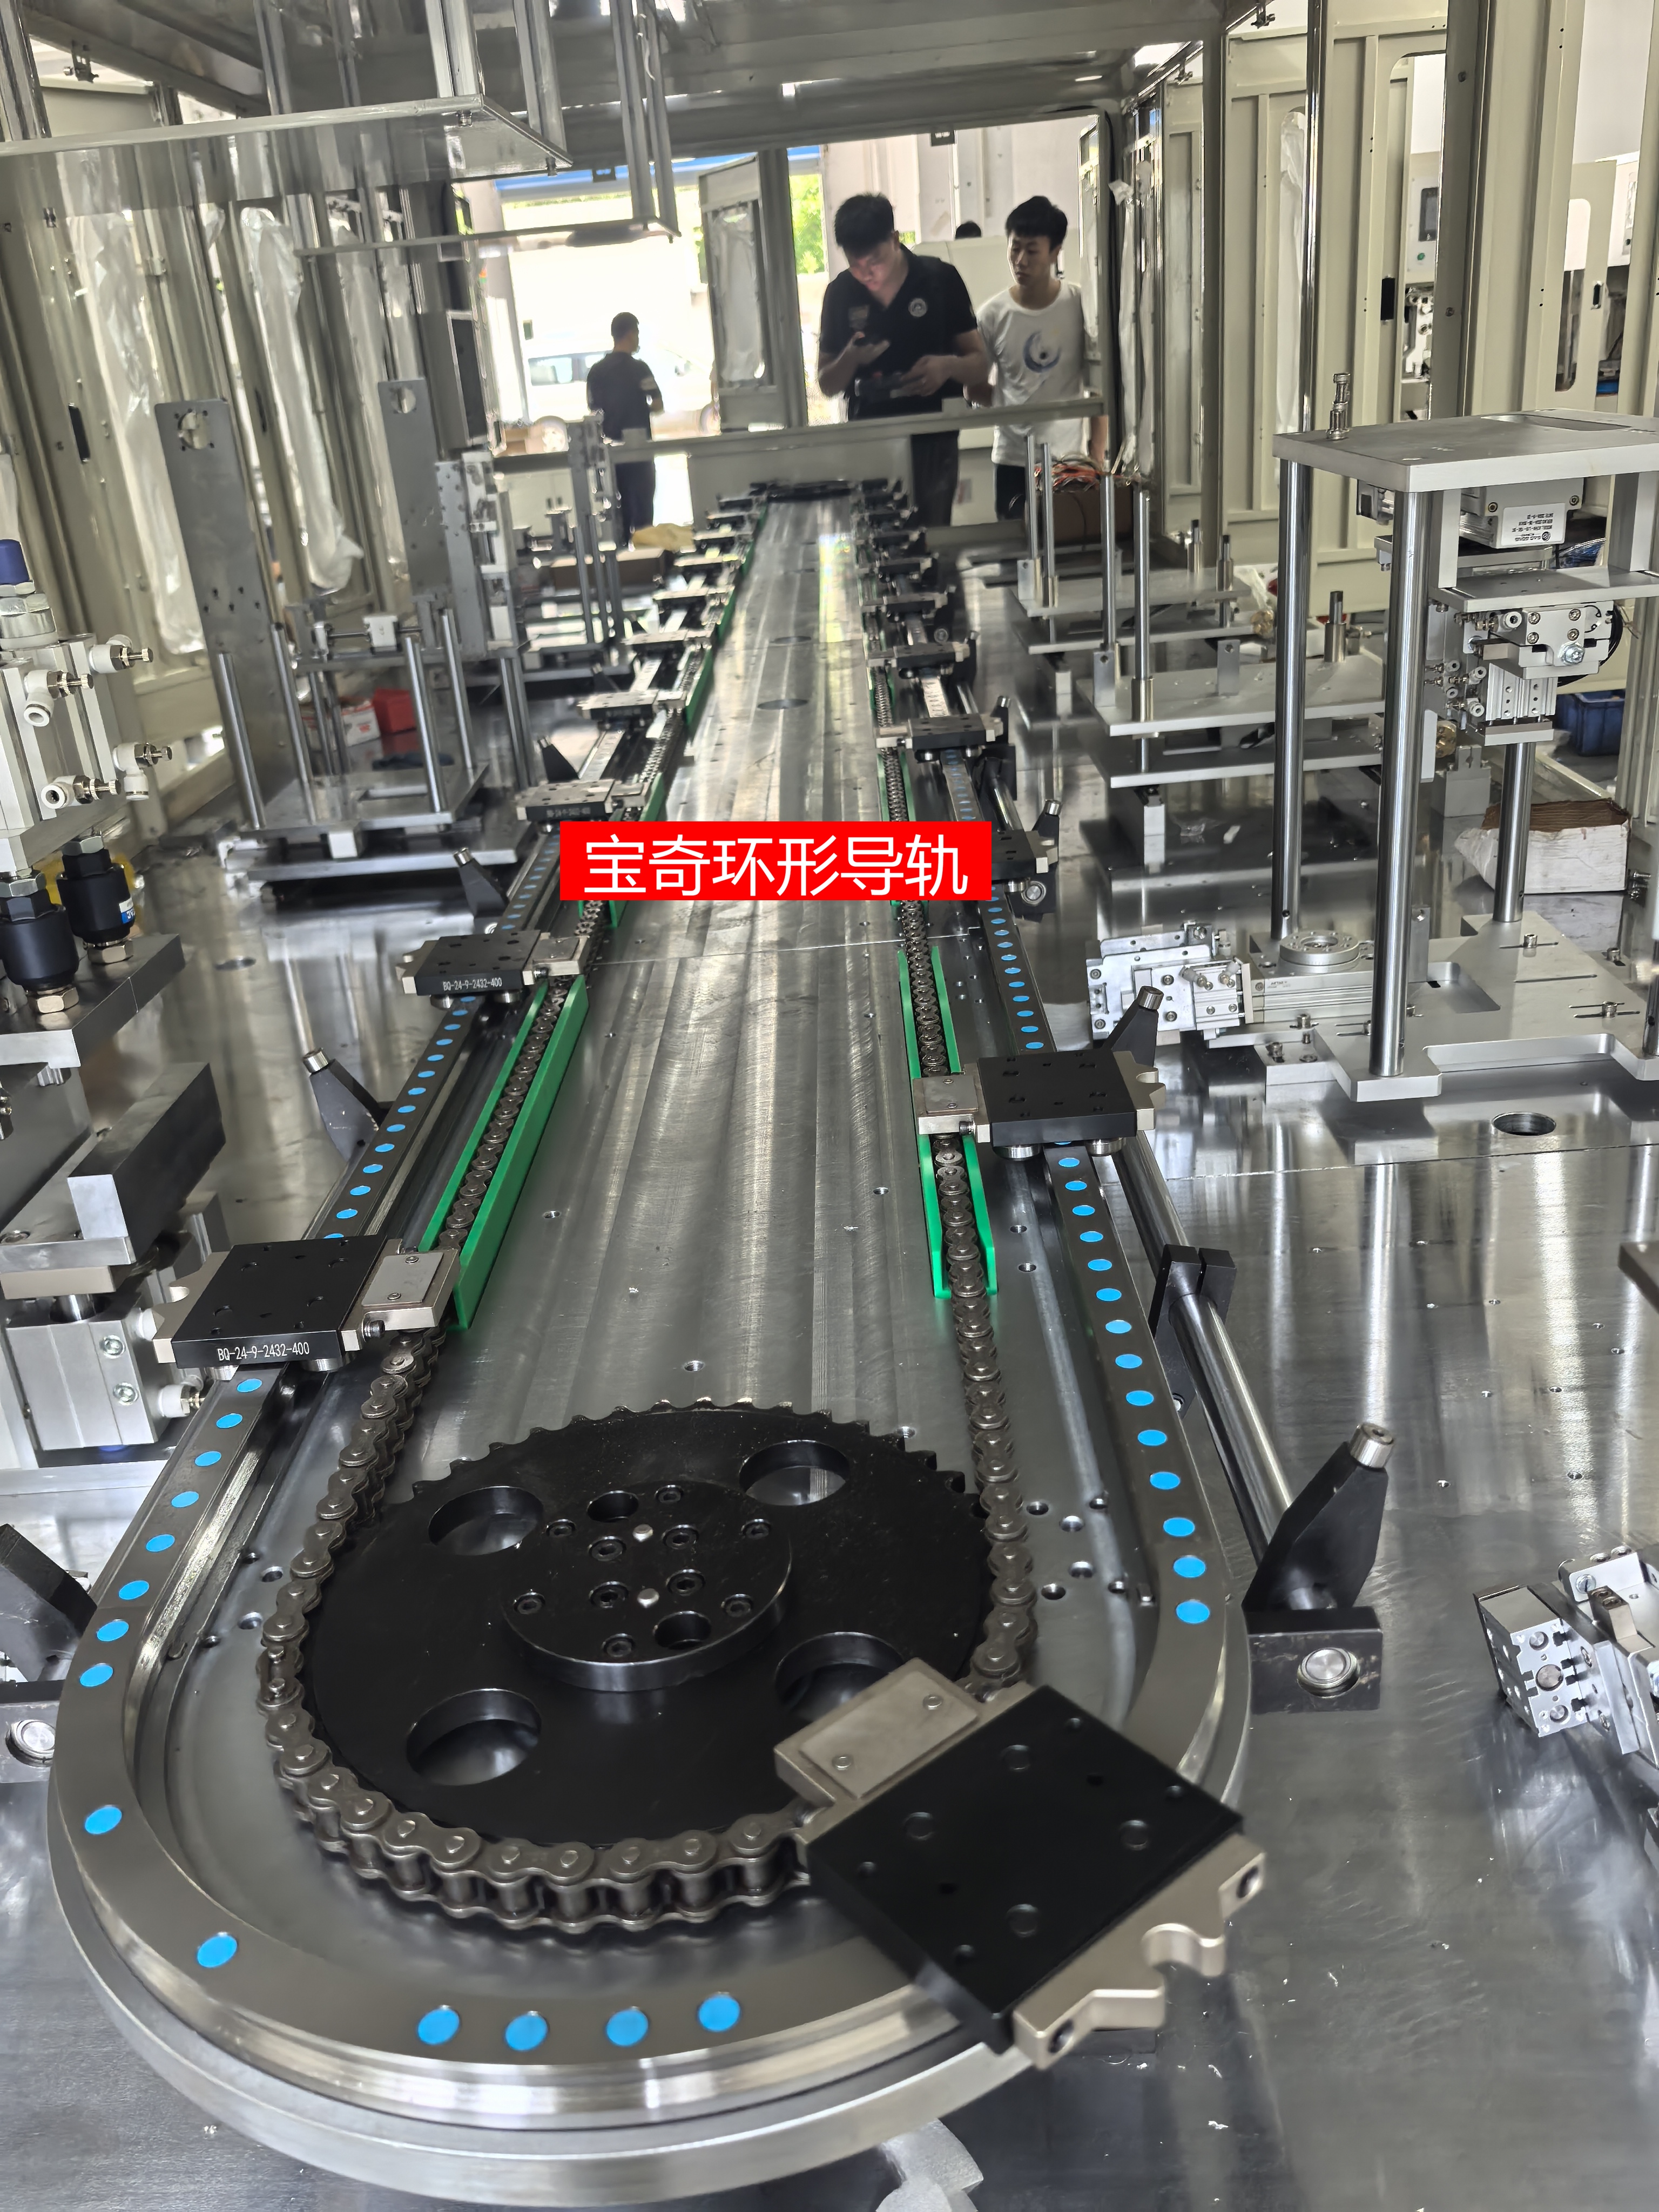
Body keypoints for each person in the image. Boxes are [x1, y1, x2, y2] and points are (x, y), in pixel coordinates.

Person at [818, 194, 989, 529]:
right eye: (855, 264)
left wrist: (947, 367)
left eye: (875, 261)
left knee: (932, 537)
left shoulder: (939, 280)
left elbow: (980, 364)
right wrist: (851, 358)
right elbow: (826, 384)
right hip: (871, 439)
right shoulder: (840, 293)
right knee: (877, 537)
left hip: (933, 435)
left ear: (895, 240)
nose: (867, 274)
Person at [967, 195, 1107, 521]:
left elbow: (1099, 390)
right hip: (1012, 460)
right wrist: (1012, 407)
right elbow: (973, 388)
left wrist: (1096, 457)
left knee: (1071, 543)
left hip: (1069, 461)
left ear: (1056, 252)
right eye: (1015, 248)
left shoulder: (1080, 306)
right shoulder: (992, 315)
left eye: (1032, 251)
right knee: (1016, 545)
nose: (1020, 261)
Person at [585, 312, 662, 543]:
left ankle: (621, 555)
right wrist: (640, 410)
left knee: (617, 509)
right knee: (644, 509)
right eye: (637, 333)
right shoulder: (640, 369)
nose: (638, 339)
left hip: (611, 454)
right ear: (630, 334)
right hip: (640, 450)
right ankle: (647, 554)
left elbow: (594, 411)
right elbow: (658, 404)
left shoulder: (597, 372)